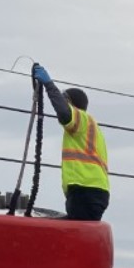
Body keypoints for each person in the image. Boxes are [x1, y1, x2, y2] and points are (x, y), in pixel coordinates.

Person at [31, 62, 111, 221]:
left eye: (64, 99)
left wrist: (48, 85)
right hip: (91, 192)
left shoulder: (82, 119)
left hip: (86, 190)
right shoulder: (89, 128)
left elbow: (64, 112)